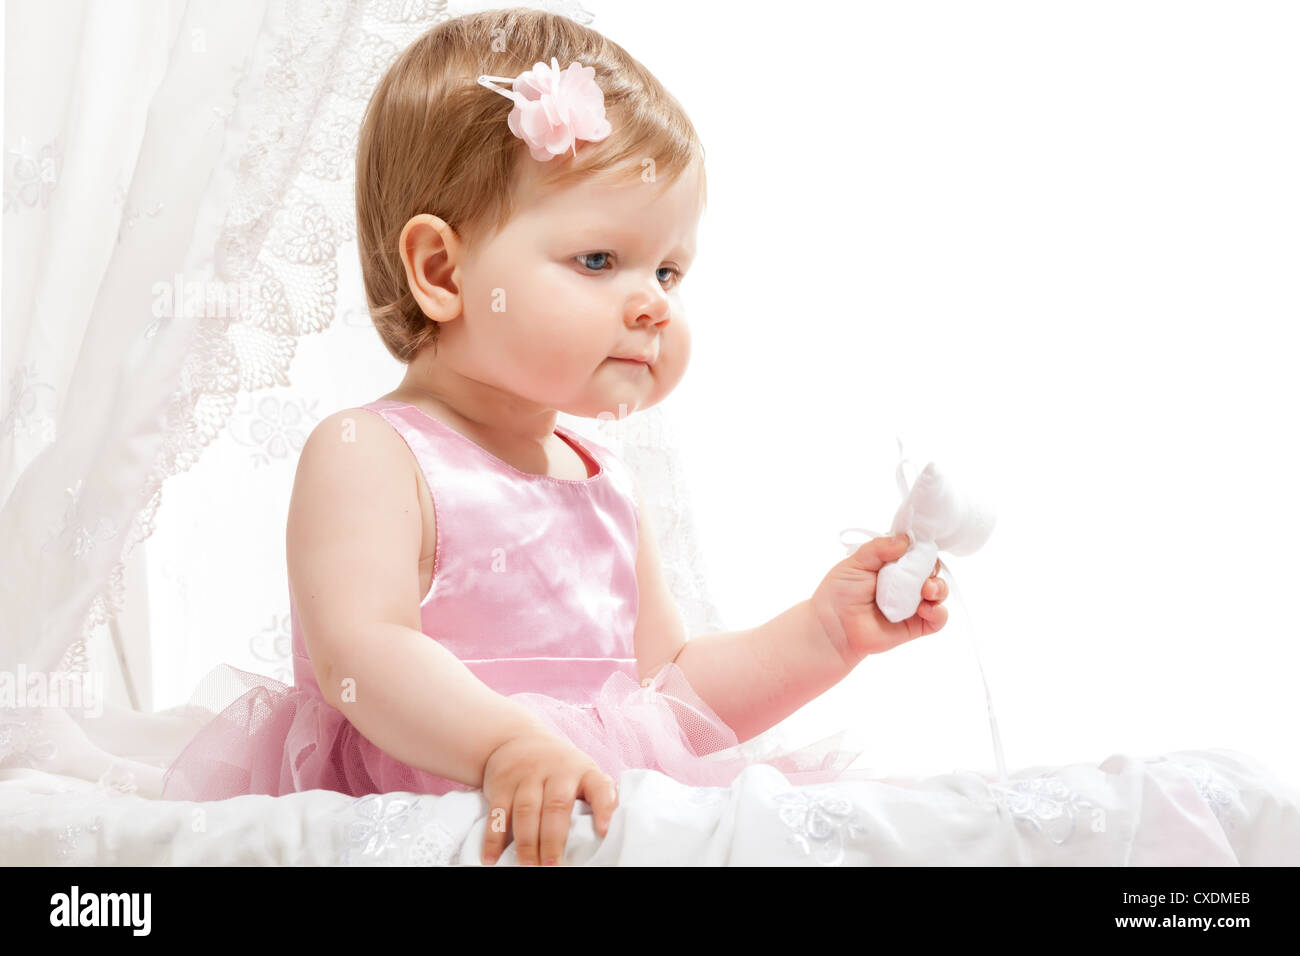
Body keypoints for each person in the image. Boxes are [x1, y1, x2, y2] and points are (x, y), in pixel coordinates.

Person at [161, 7, 950, 867]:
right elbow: (366, 651)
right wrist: (504, 744)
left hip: (596, 817)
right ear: (442, 271)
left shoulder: (603, 478)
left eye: (669, 270)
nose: (653, 303)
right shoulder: (372, 454)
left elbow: (670, 688)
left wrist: (823, 636)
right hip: (430, 817)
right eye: (600, 261)